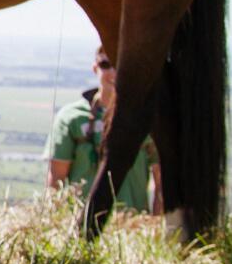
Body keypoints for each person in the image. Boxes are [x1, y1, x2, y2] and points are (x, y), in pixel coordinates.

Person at [46, 46, 162, 214]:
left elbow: (161, 183)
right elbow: (55, 180)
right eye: (106, 64)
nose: (114, 71)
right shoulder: (72, 118)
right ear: (95, 68)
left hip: (133, 224)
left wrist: (157, 227)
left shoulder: (148, 120)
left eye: (120, 64)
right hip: (79, 222)